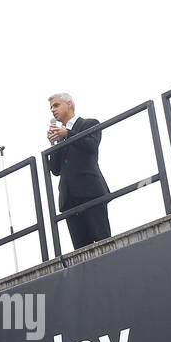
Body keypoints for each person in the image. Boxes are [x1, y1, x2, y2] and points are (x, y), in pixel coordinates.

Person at [46, 92, 112, 250]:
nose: (53, 110)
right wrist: (54, 144)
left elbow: (91, 145)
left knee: (104, 243)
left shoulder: (89, 123)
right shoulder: (60, 136)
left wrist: (68, 134)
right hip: (69, 199)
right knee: (81, 252)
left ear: (69, 104)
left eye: (56, 105)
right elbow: (55, 170)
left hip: (90, 192)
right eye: (51, 108)